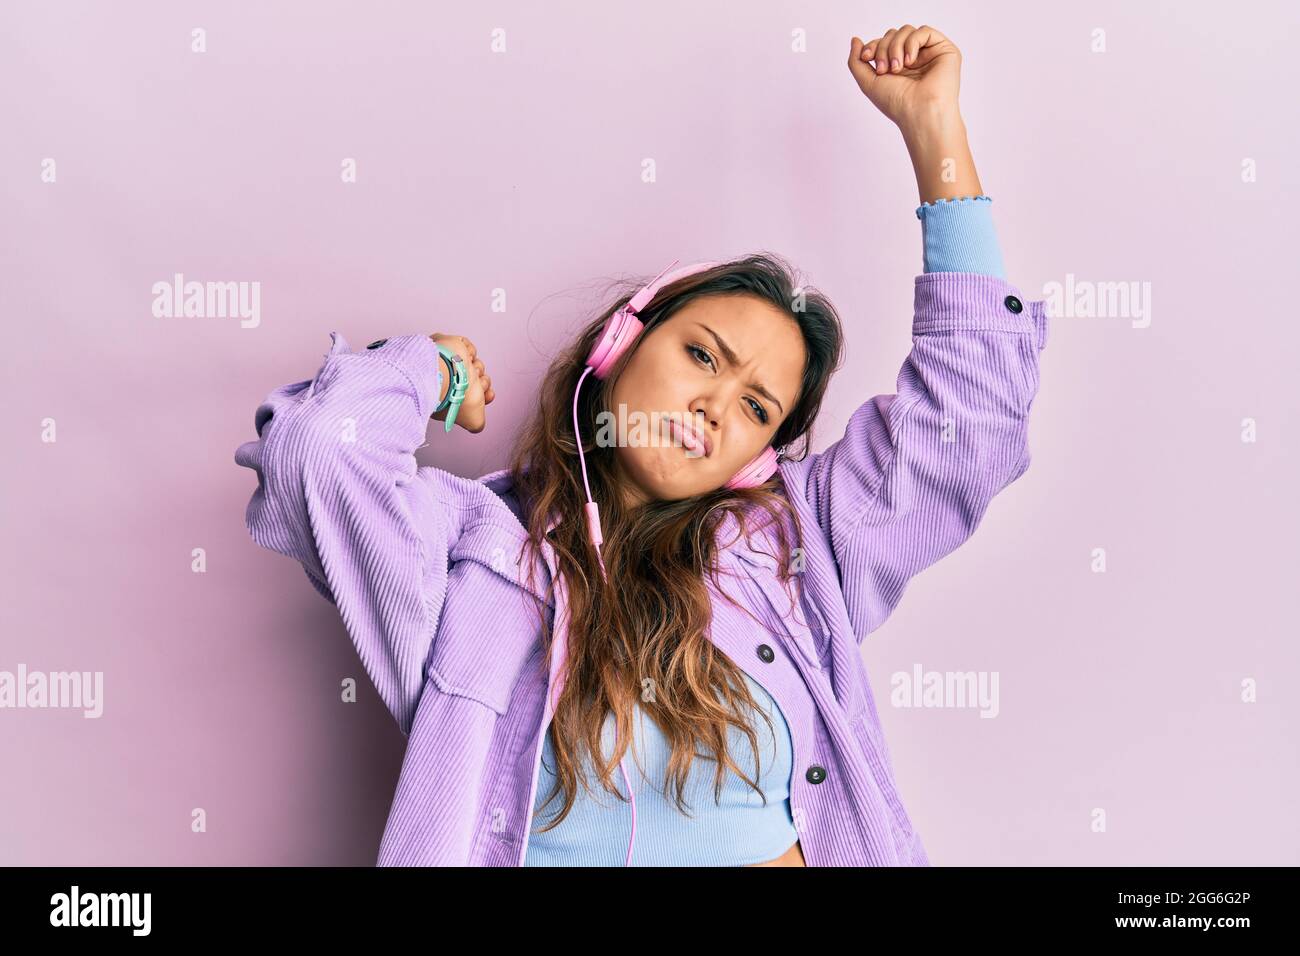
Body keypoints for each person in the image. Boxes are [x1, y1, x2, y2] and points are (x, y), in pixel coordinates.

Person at [234, 24, 1049, 867]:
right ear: (619, 347)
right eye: (702, 354)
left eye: (757, 405)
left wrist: (936, 135)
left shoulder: (802, 547)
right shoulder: (463, 554)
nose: (714, 405)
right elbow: (317, 450)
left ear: (762, 453)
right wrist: (431, 371)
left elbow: (970, 420)